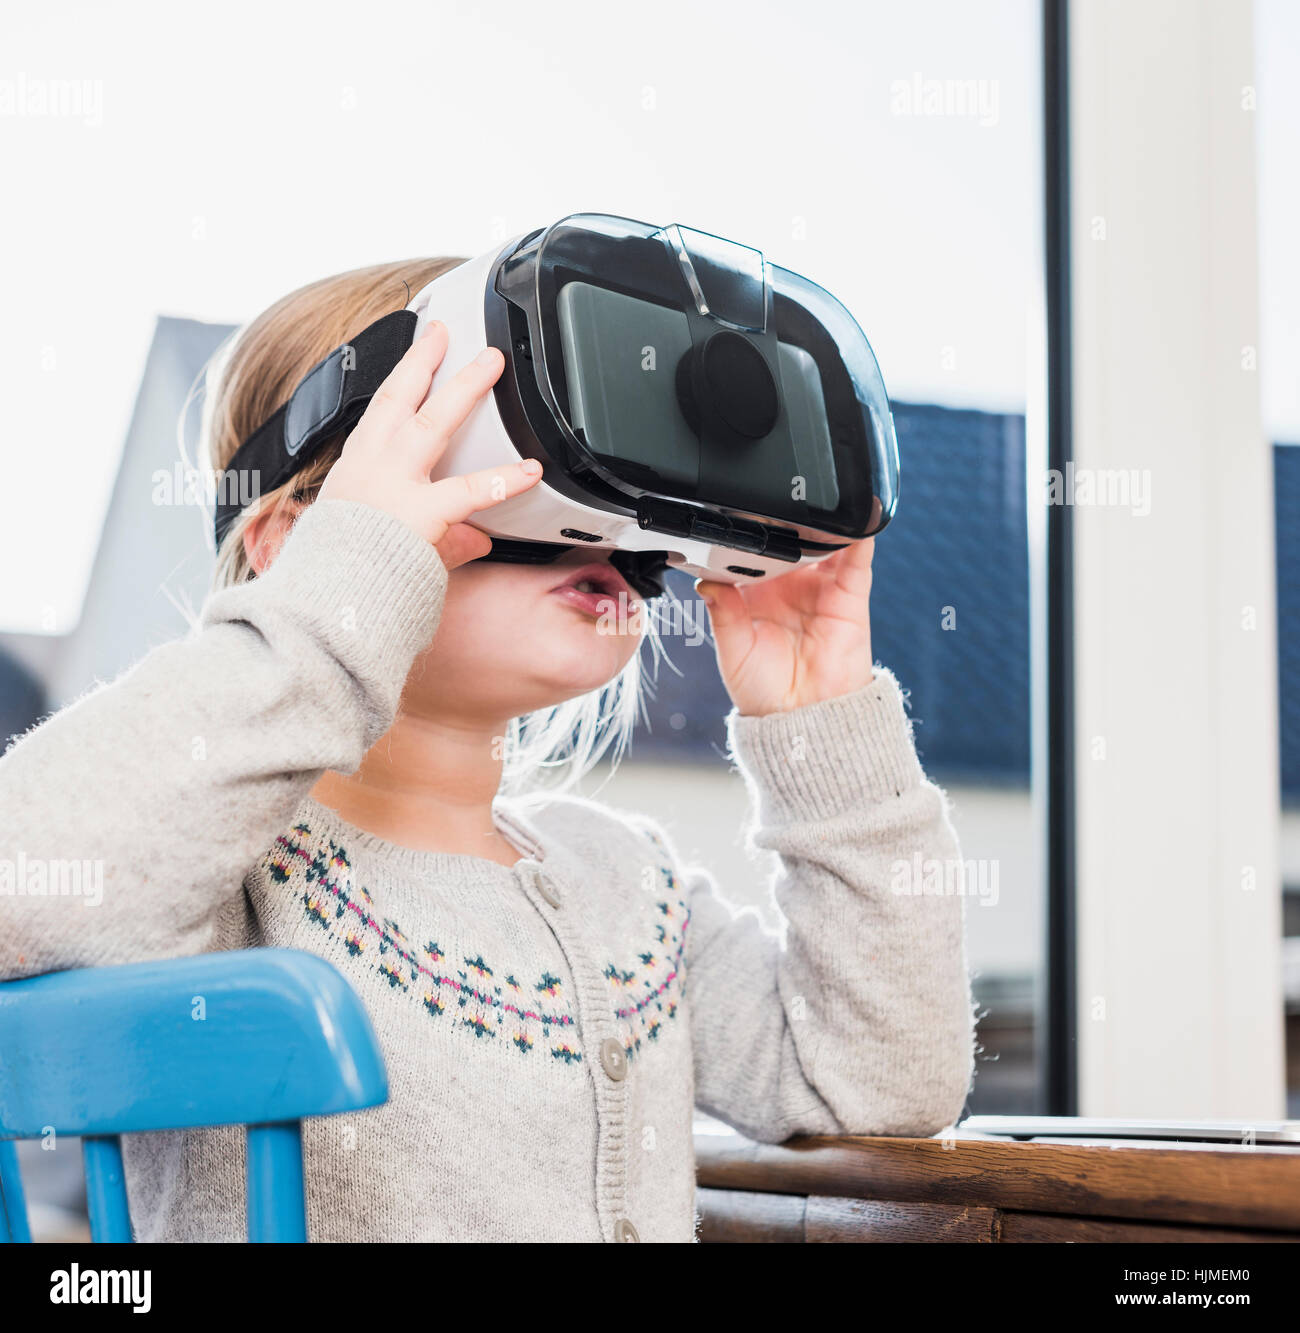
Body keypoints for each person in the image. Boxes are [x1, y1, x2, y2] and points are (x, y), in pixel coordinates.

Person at [0, 258, 974, 1242]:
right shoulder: (230, 870)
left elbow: (880, 1078)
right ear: (297, 543)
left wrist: (820, 717)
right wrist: (339, 596)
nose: (597, 509)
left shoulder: (630, 888)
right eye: (499, 459)